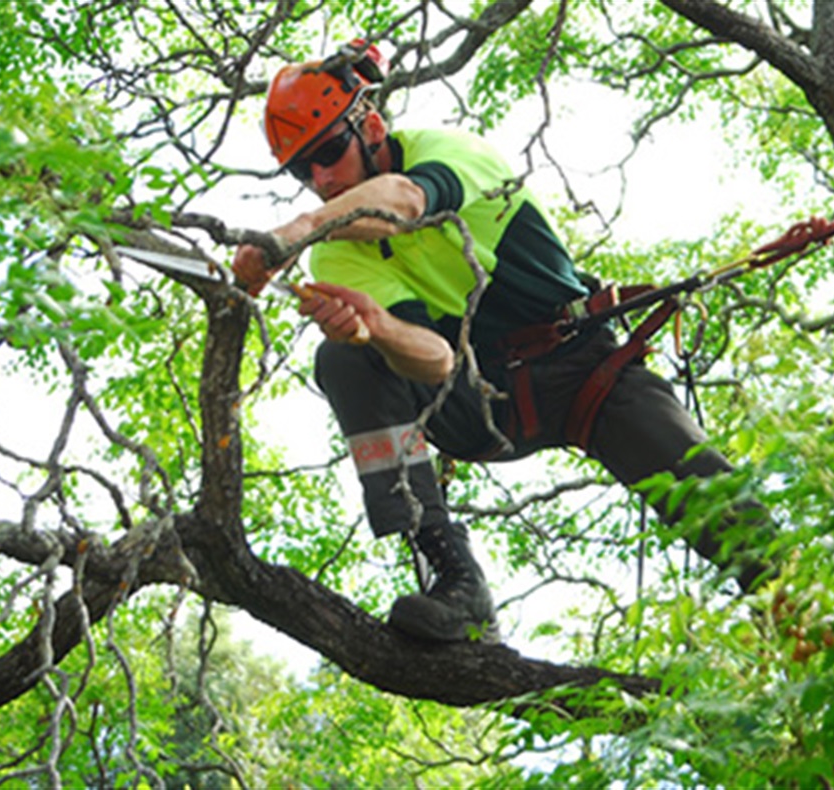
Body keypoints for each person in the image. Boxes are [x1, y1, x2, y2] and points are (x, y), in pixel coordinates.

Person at [232, 45, 773, 643]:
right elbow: (436, 360)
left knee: (732, 520)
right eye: (301, 172)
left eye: (329, 152)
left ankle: (806, 617)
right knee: (344, 358)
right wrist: (377, 330)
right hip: (484, 403)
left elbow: (408, 203)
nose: (321, 180)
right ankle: (456, 578)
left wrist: (297, 229)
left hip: (584, 369)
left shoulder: (448, 154)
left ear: (373, 126)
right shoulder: (337, 255)